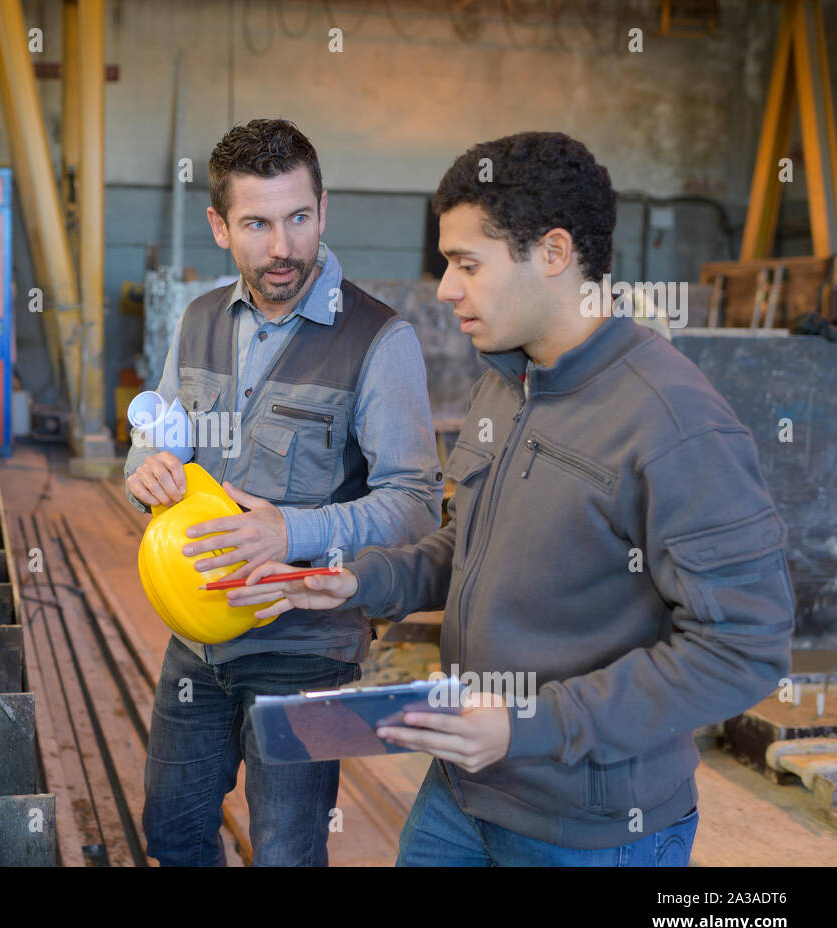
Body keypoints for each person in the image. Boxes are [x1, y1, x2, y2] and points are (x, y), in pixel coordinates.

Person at [227, 131, 795, 867]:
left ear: (554, 255)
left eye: (468, 264)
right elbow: (467, 543)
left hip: (589, 832)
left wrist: (527, 722)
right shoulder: (508, 379)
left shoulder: (676, 422)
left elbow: (743, 650)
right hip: (462, 793)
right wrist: (361, 580)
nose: (445, 288)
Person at [124, 118, 444, 866]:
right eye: (257, 223)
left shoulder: (379, 341)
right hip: (197, 638)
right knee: (173, 834)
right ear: (219, 225)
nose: (282, 247)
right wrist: (146, 466)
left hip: (307, 651)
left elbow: (417, 506)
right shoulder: (198, 318)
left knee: (287, 854)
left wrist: (288, 534)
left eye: (299, 218)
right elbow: (161, 434)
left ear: (323, 210)